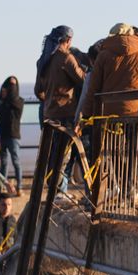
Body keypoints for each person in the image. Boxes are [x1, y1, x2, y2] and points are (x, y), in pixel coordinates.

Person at [78, 22, 138, 203]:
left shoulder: (103, 55)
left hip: (107, 114)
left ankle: (120, 187)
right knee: (133, 151)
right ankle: (129, 190)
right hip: (135, 112)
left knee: (112, 152)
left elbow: (93, 88)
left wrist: (87, 114)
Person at [34, 25, 85, 191]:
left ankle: (53, 192)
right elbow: (83, 81)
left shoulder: (43, 60)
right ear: (68, 40)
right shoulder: (65, 58)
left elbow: (38, 91)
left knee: (51, 156)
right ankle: (59, 192)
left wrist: (49, 100)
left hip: (49, 114)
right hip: (66, 113)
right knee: (64, 156)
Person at [0, 76, 26, 195]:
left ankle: (19, 187)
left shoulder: (19, 102)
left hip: (13, 136)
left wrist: (10, 89)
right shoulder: (2, 104)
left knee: (16, 162)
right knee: (3, 164)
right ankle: (4, 186)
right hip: (2, 136)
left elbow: (13, 98)